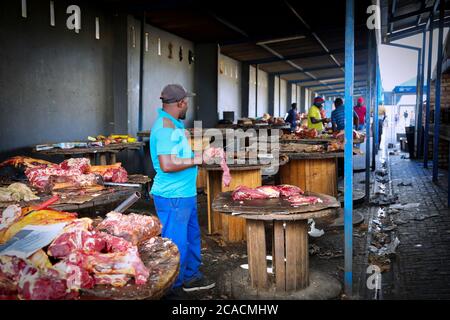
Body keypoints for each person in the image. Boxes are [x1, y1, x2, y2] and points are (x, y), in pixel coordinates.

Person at [150, 84, 215, 293]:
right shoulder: (164, 128)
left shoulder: (174, 125)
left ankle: (190, 276)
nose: (187, 104)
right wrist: (199, 158)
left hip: (184, 194)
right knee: (176, 244)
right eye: (186, 101)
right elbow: (167, 165)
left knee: (191, 237)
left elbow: (177, 156)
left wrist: (201, 151)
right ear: (180, 103)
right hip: (173, 197)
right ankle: (173, 289)